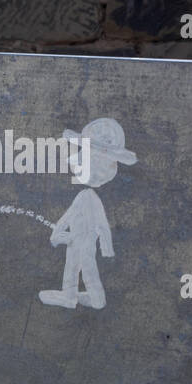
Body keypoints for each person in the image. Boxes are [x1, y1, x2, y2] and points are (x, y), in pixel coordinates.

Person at [39, 117, 135, 310]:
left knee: (87, 270)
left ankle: (96, 299)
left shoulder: (90, 197)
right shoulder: (85, 196)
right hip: (76, 240)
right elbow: (69, 216)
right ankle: (70, 296)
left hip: (85, 242)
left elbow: (101, 224)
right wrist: (57, 234)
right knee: (72, 269)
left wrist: (106, 247)